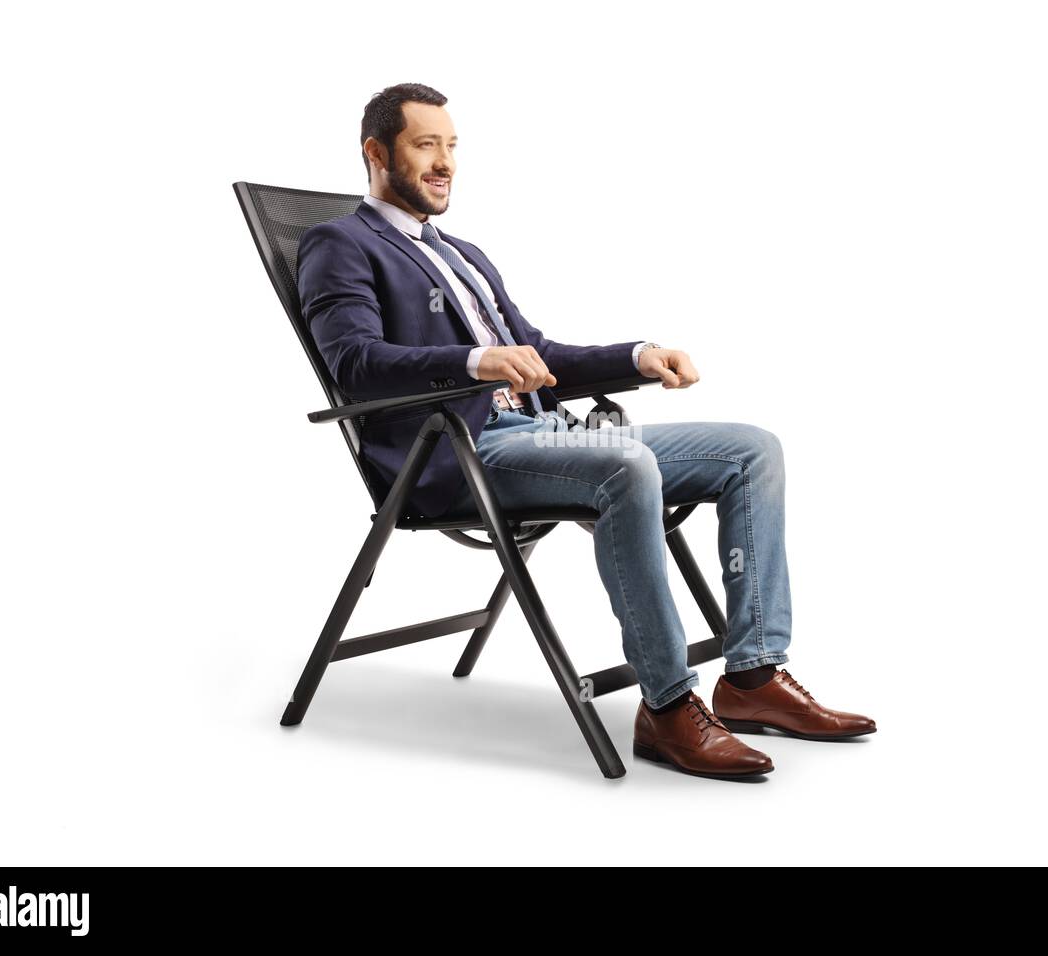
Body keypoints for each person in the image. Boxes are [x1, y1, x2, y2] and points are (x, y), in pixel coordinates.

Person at [296, 82, 876, 780]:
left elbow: (538, 353)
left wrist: (636, 358)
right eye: (426, 145)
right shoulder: (340, 244)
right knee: (626, 466)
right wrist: (476, 361)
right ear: (376, 152)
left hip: (546, 434)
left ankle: (751, 679)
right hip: (463, 454)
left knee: (752, 450)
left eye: (452, 146)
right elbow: (356, 365)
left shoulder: (465, 253)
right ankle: (665, 708)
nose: (445, 161)